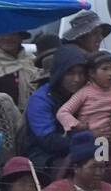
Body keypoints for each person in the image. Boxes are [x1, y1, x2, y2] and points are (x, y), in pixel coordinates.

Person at [56, 51, 111, 191]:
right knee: (95, 174)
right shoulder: (84, 93)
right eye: (105, 69)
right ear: (91, 73)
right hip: (89, 143)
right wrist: (81, 126)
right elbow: (63, 112)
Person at [26, 45, 90, 178]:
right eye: (70, 73)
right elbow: (48, 141)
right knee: (71, 172)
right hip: (44, 155)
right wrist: (88, 142)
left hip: (85, 149)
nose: (77, 79)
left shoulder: (89, 94)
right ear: (59, 73)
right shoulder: (41, 99)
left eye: (81, 73)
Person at [0, 31, 42, 110]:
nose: (7, 38)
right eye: (3, 33)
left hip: (31, 114)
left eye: (13, 34)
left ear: (21, 38)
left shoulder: (31, 61)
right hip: (1, 115)